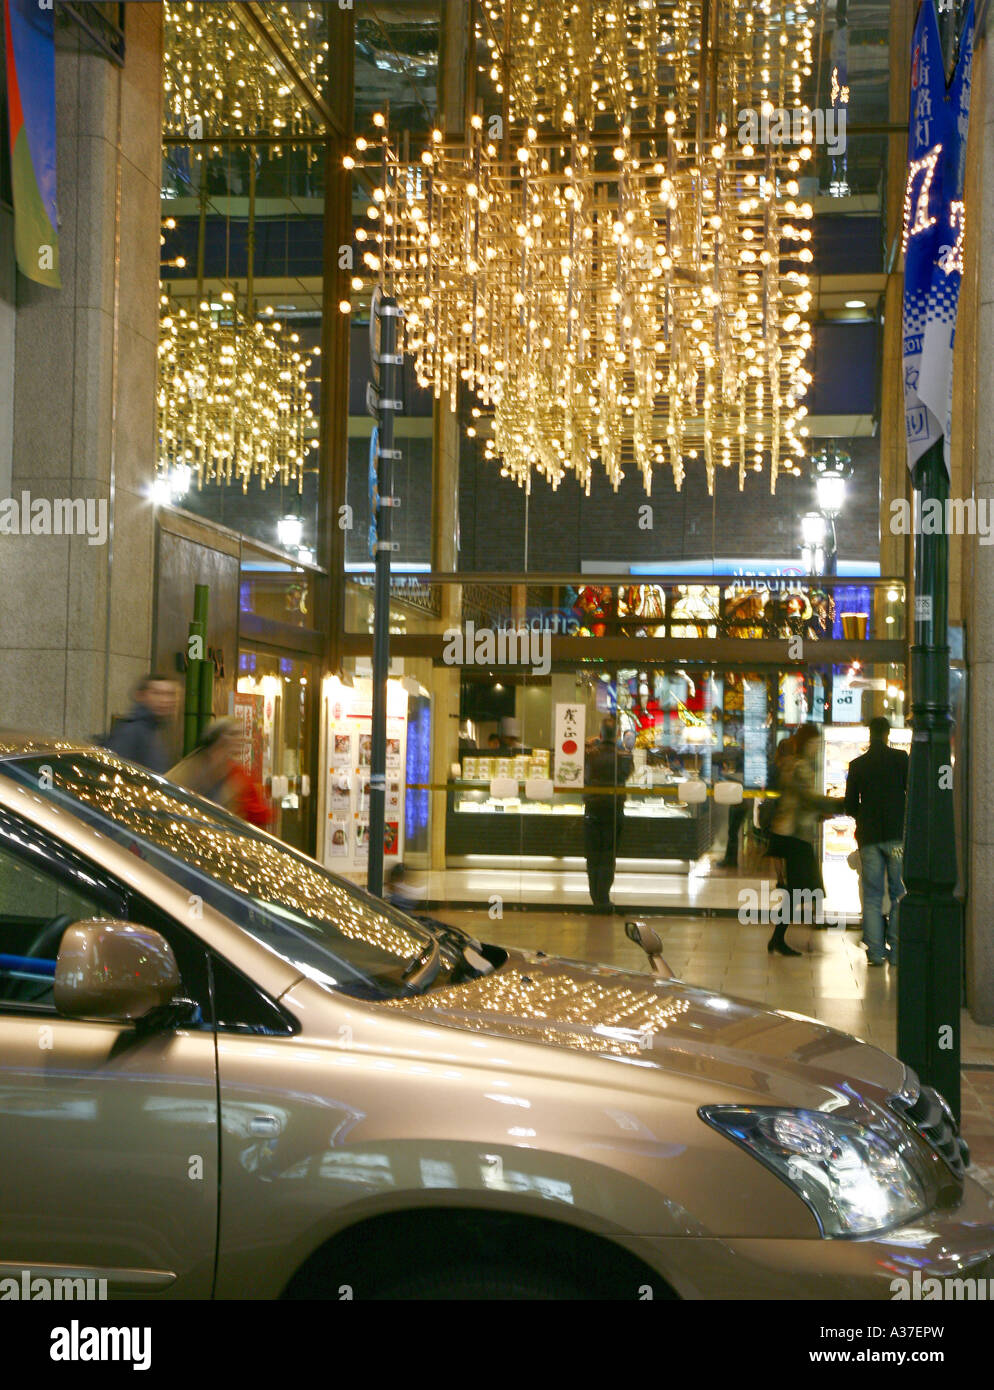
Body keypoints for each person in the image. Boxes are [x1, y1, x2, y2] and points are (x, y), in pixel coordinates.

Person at [767, 723, 843, 956]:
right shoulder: (800, 767)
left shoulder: (797, 765)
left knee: (800, 890)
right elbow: (808, 797)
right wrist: (840, 803)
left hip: (794, 834)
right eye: (815, 744)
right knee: (802, 890)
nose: (818, 748)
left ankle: (778, 939)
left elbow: (802, 802)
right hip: (794, 836)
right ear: (807, 743)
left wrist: (820, 811)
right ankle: (779, 939)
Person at [844, 716, 908, 966]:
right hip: (896, 838)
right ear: (887, 734)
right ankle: (895, 950)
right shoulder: (901, 759)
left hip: (869, 838)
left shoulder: (858, 765)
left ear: (869, 735)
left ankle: (875, 953)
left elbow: (849, 805)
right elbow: (910, 793)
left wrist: (864, 814)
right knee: (898, 892)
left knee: (871, 896)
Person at [168, 720, 273, 828]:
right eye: (234, 734)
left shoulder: (235, 774)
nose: (241, 739)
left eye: (241, 735)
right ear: (219, 739)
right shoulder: (192, 767)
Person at [583, 715, 633, 911]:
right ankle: (603, 897)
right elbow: (626, 774)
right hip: (614, 811)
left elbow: (582, 772)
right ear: (618, 735)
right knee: (608, 855)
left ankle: (596, 897)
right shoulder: (624, 756)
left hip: (592, 809)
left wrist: (590, 743)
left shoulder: (589, 754)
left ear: (600, 734)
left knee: (593, 855)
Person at [103, 674, 179, 773]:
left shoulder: (153, 729)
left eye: (170, 694)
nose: (165, 700)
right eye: (157, 693)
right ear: (141, 696)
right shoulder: (131, 731)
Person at [717, 747, 746, 869]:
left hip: (739, 801)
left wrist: (725, 776)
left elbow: (737, 780)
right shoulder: (747, 764)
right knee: (733, 831)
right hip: (741, 800)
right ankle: (730, 859)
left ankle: (731, 860)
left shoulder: (741, 766)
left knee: (732, 831)